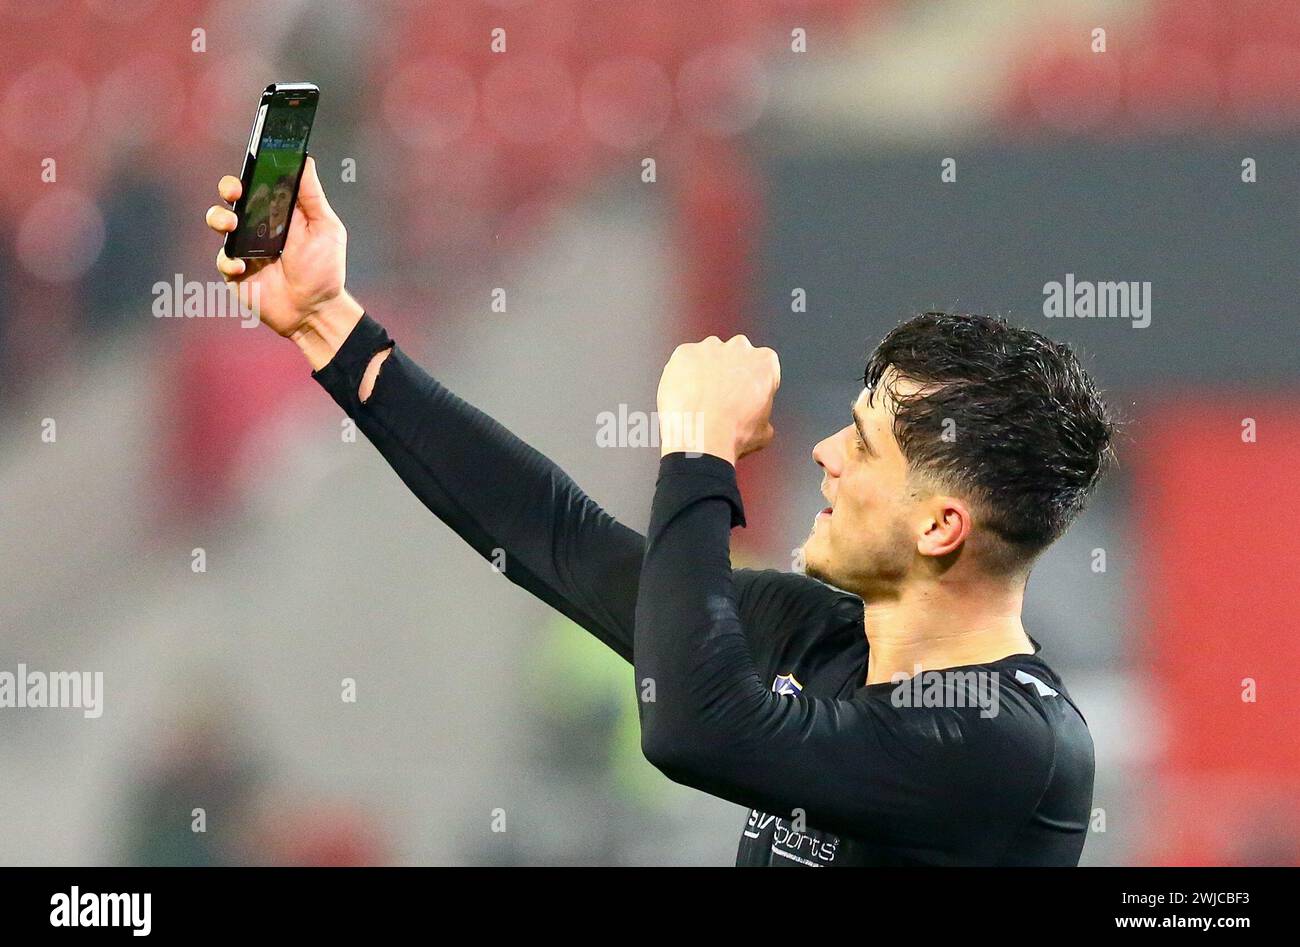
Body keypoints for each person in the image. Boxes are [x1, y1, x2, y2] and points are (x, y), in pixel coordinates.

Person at [206, 158, 1115, 866]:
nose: (825, 457)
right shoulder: (826, 639)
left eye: (863, 445)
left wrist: (700, 451)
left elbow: (696, 728)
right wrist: (329, 323)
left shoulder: (1009, 744)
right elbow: (554, 539)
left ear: (940, 526)